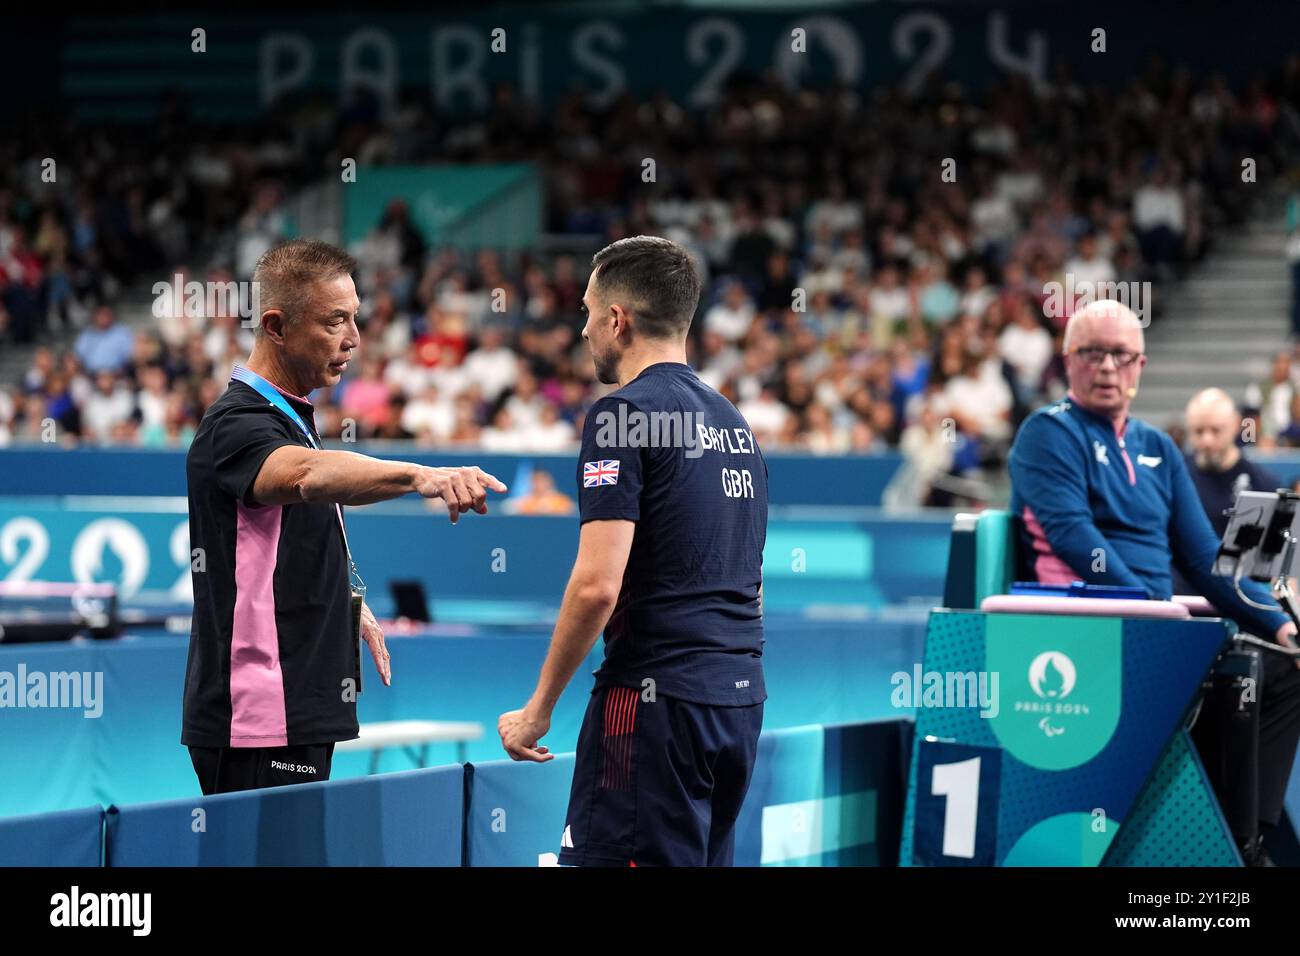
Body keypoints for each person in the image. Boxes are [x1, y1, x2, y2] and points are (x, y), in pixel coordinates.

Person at [182, 239, 505, 795]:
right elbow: (305, 476)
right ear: (276, 326)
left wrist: (346, 605)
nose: (354, 339)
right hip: (259, 716)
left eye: (355, 318)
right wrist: (418, 477)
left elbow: (289, 540)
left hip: (296, 704)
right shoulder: (236, 423)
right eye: (335, 322)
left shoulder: (291, 417)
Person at [497, 236, 769, 866]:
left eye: (589, 311)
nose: (584, 327)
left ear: (617, 320)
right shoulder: (735, 422)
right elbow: (751, 583)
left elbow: (597, 586)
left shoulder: (621, 416)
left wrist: (538, 711)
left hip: (654, 705)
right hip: (738, 701)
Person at [1009, 299, 1300, 865]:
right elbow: (1075, 538)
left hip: (1164, 623)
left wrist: (1279, 623)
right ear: (1068, 362)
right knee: (1239, 672)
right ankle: (1227, 846)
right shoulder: (1046, 435)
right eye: (1092, 353)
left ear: (1141, 367)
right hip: (1085, 622)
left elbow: (1204, 558)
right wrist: (1149, 607)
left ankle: (1245, 842)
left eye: (1121, 355)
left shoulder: (1192, 461)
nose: (1108, 367)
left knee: (1284, 669)